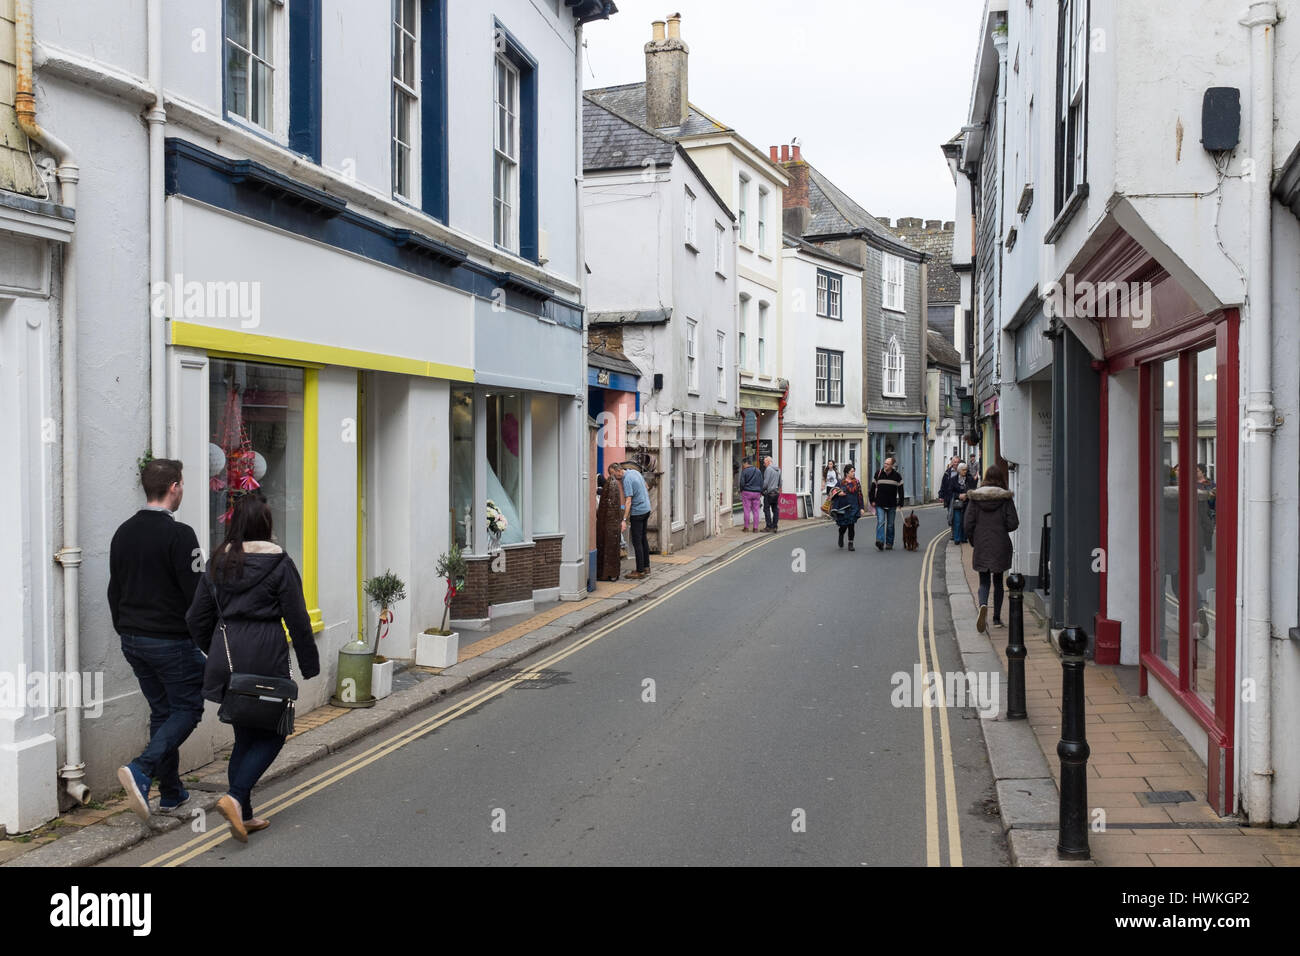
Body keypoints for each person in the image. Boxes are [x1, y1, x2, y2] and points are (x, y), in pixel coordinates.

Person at [186, 493, 320, 841]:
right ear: (265, 525)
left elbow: (196, 617)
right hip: (267, 652)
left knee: (245, 734)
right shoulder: (280, 563)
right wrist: (309, 664)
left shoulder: (217, 563)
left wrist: (214, 649)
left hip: (230, 656)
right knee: (276, 731)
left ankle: (242, 814)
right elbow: (298, 618)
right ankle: (233, 797)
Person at [109, 458, 207, 822]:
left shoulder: (123, 532)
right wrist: (207, 643)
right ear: (175, 487)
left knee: (163, 711)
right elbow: (197, 597)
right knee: (189, 708)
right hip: (170, 641)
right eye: (182, 484)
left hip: (133, 640)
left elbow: (113, 590)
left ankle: (171, 792)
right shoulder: (180, 535)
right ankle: (141, 769)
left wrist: (125, 630)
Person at [964, 465, 1019, 633]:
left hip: (981, 542)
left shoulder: (976, 498)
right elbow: (1013, 523)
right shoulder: (1005, 498)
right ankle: (996, 618)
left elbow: (968, 524)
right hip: (1000, 544)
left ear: (986, 478)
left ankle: (982, 605)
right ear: (1000, 479)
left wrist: (973, 539)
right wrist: (1001, 528)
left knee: (984, 581)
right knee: (998, 581)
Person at [613, 462, 652, 578]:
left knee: (637, 542)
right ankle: (646, 567)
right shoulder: (634, 472)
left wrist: (624, 519)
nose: (615, 478)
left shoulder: (626, 480)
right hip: (647, 509)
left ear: (619, 471)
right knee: (643, 539)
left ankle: (639, 571)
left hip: (638, 512)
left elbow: (628, 501)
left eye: (615, 475)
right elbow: (646, 486)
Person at [869, 456, 905, 550]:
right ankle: (880, 541)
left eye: (887, 464)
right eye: (885, 463)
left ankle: (889, 543)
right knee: (881, 522)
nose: (885, 465)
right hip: (880, 503)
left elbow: (901, 490)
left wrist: (900, 502)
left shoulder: (897, 476)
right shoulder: (878, 473)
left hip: (892, 504)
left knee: (890, 525)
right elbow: (872, 488)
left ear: (892, 465)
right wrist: (872, 500)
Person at [595, 465, 624, 581]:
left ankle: (608, 573)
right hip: (611, 523)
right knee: (612, 550)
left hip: (609, 524)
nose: (614, 474)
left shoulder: (611, 484)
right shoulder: (614, 483)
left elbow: (610, 506)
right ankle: (612, 573)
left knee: (608, 549)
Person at [829, 464, 866, 551]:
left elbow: (860, 495)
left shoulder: (856, 482)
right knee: (843, 526)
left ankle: (850, 543)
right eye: (852, 472)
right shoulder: (841, 482)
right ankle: (841, 535)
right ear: (847, 473)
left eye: (854, 471)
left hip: (854, 507)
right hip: (843, 508)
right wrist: (839, 493)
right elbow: (833, 491)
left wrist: (861, 508)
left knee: (851, 525)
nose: (853, 473)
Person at [950, 462, 976, 545]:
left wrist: (967, 495)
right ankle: (957, 539)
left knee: (965, 520)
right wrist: (958, 495)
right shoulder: (953, 479)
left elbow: (973, 490)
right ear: (959, 470)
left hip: (967, 503)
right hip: (957, 503)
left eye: (966, 470)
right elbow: (950, 492)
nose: (965, 471)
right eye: (963, 470)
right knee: (957, 521)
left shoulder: (970, 479)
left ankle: (964, 538)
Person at [738, 457, 763, 532]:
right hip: (757, 493)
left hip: (747, 492)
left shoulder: (745, 471)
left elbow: (742, 483)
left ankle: (746, 527)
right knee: (756, 511)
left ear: (746, 463)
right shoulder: (758, 470)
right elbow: (761, 482)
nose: (743, 466)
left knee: (747, 510)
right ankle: (755, 528)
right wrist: (760, 491)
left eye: (743, 464)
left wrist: (742, 490)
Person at [761, 455, 783, 531]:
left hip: (769, 493)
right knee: (775, 509)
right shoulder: (778, 470)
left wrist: (762, 489)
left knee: (766, 509)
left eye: (764, 462)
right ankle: (775, 526)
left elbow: (766, 483)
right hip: (776, 493)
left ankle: (768, 526)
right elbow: (780, 482)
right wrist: (777, 489)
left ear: (769, 462)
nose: (764, 464)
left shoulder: (768, 469)